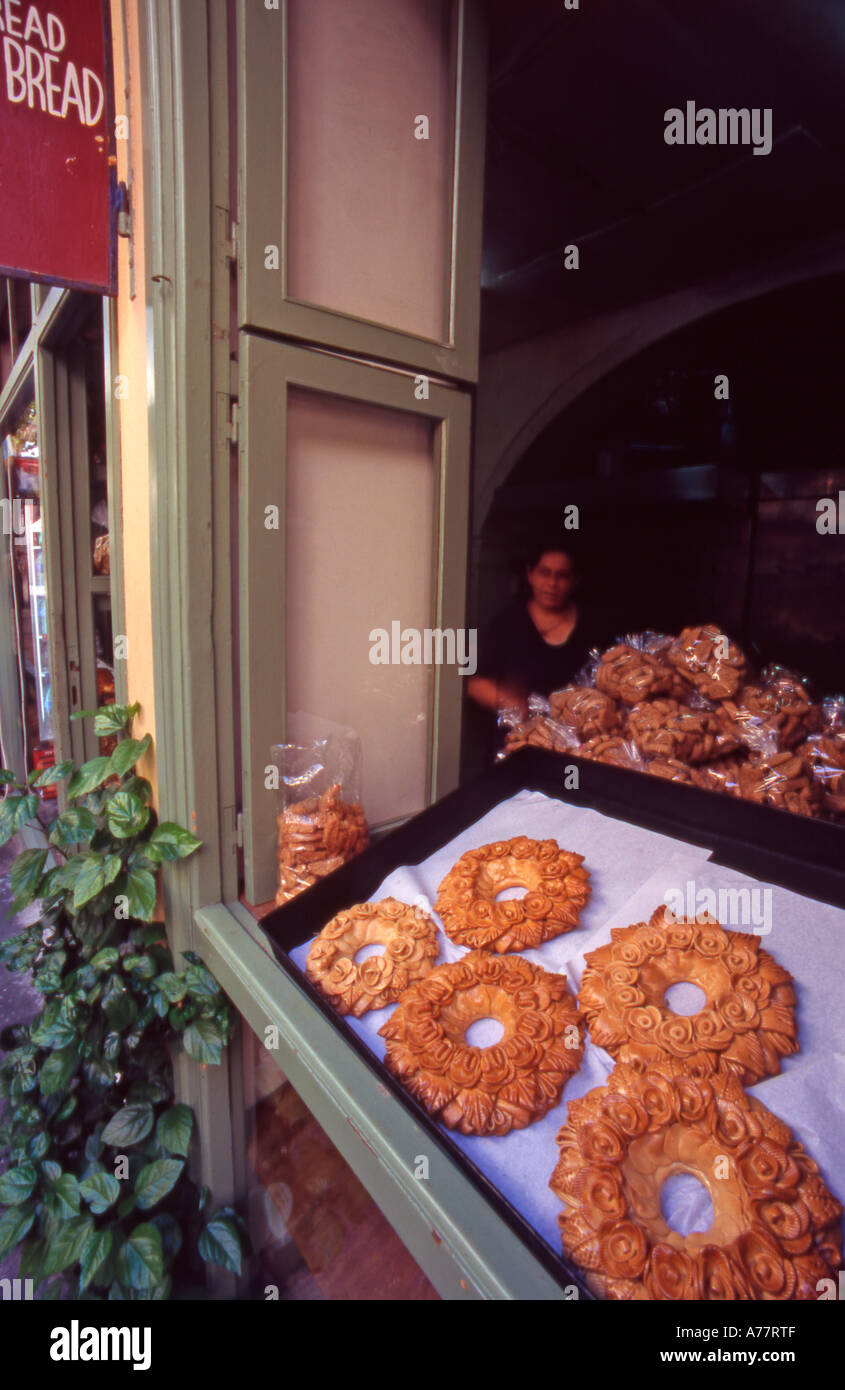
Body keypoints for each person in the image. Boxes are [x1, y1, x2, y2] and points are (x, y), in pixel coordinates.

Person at [466, 540, 609, 733]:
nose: (552, 584)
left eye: (562, 576)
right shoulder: (507, 622)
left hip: (579, 741)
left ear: (575, 580)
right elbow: (475, 683)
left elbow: (609, 685)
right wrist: (508, 701)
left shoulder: (593, 626)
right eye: (544, 572)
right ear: (529, 574)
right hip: (519, 739)